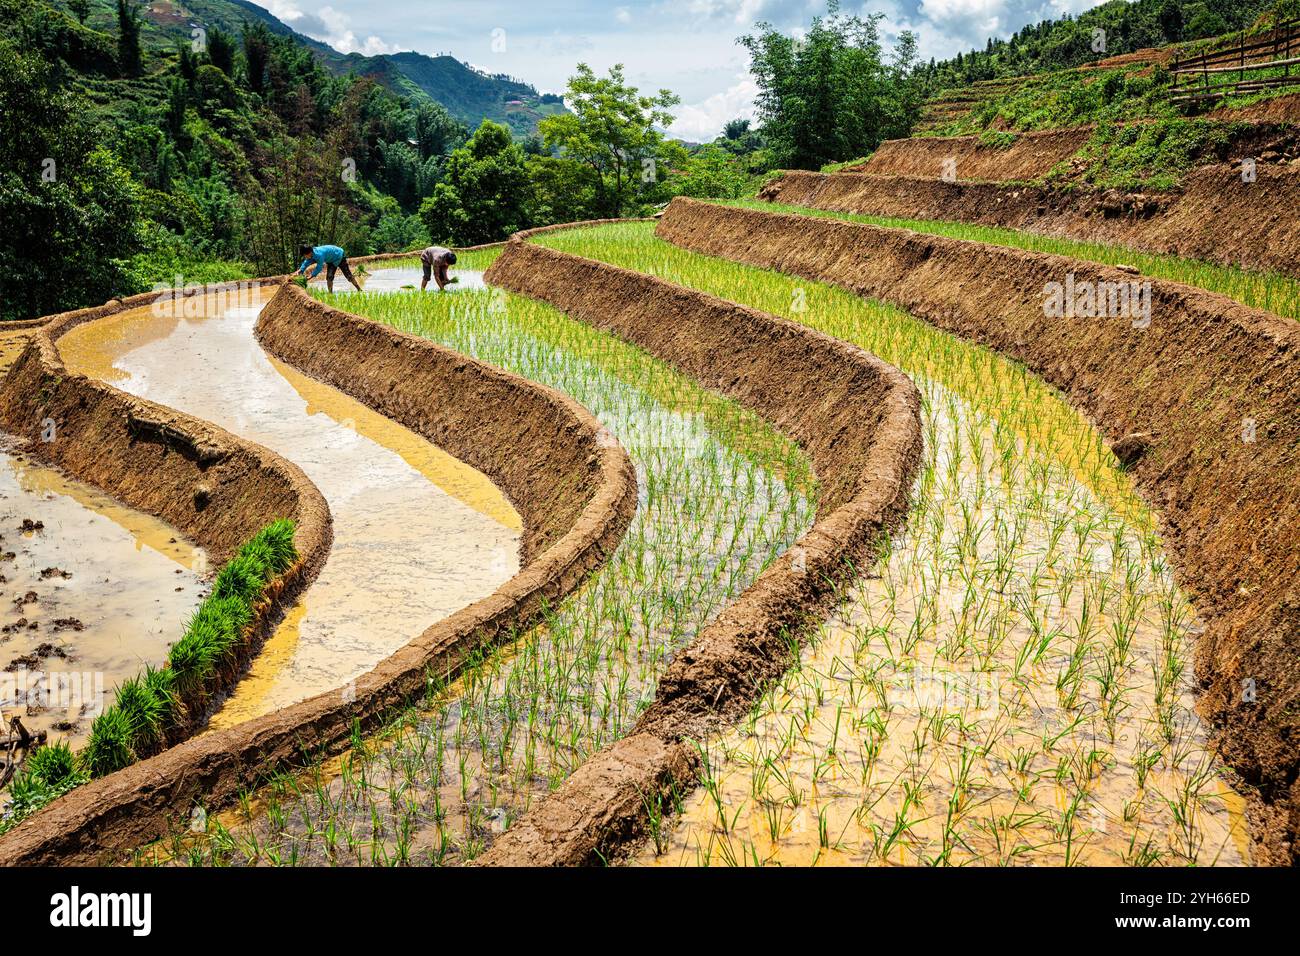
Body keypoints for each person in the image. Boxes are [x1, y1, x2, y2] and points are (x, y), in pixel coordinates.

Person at [297, 243, 362, 293]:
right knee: (329, 277)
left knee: (348, 276)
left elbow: (319, 267)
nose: (305, 257)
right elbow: (307, 261)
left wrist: (311, 276)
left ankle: (359, 289)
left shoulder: (319, 255)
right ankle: (330, 294)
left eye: (304, 255)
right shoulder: (311, 254)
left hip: (339, 255)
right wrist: (301, 269)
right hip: (331, 259)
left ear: (309, 253)